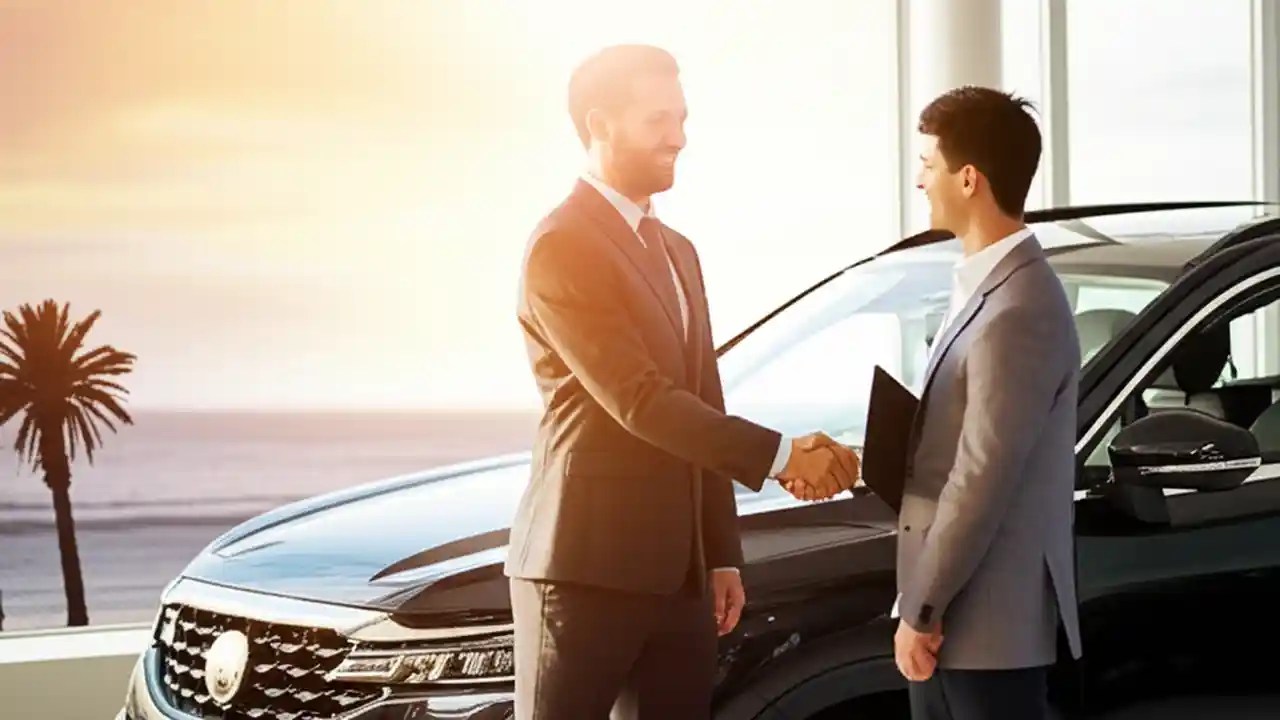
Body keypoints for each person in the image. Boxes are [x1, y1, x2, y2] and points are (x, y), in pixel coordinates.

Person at [506, 44, 860, 720]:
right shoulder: (563, 244)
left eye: (682, 117)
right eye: (658, 119)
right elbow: (639, 400)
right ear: (599, 122)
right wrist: (784, 457)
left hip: (682, 580)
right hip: (583, 570)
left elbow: (702, 400)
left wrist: (720, 555)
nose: (679, 136)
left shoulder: (679, 251)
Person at [893, 86, 1083, 720]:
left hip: (985, 629)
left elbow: (981, 477)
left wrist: (921, 608)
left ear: (968, 178)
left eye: (927, 164)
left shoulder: (1019, 306)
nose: (919, 181)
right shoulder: (985, 287)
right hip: (958, 623)